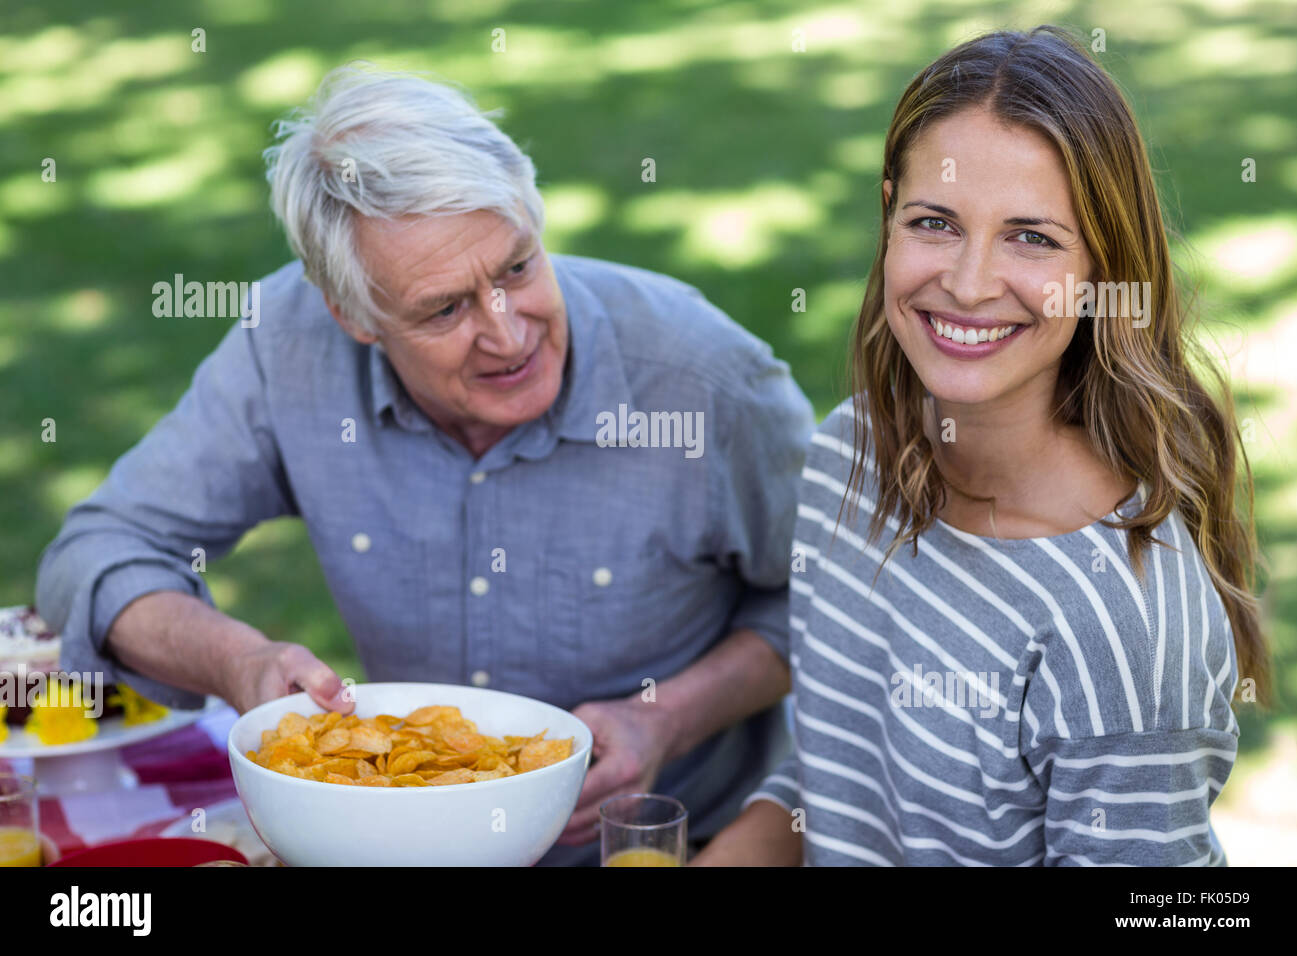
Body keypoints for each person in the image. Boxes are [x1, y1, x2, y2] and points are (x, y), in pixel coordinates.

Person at [35, 65, 814, 866]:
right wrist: (240, 661)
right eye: (444, 309)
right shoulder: (290, 347)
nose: (509, 335)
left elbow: (840, 600)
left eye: (517, 268)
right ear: (353, 314)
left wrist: (667, 718)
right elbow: (95, 554)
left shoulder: (706, 379)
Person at [693, 25, 1267, 866]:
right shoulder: (847, 454)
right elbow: (834, 780)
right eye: (935, 222)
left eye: (1032, 237)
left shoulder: (1123, 625)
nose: (968, 283)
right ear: (888, 214)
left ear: (1103, 269)